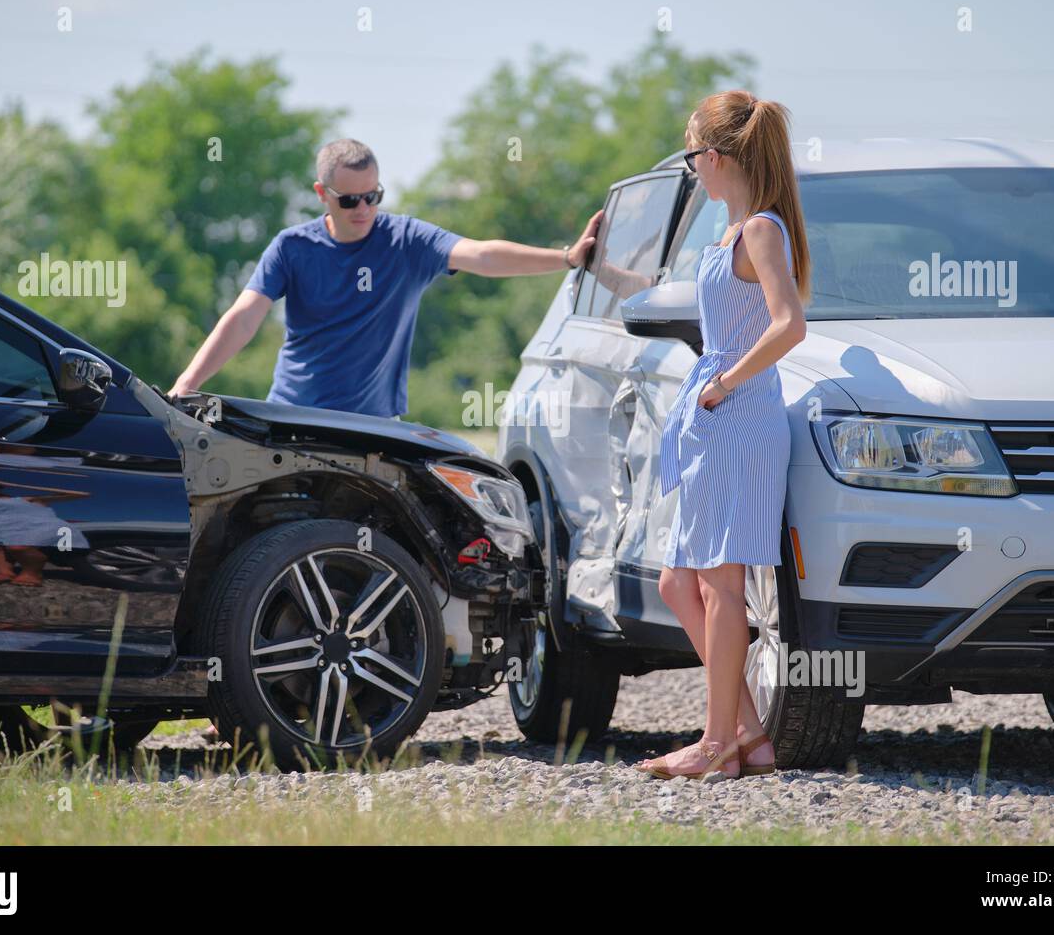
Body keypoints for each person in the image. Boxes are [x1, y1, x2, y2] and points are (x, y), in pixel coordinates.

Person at [168, 138, 602, 417]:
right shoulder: (292, 247)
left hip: (375, 429)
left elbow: (482, 255)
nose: (363, 209)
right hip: (293, 417)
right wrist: (187, 385)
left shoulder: (407, 240)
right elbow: (245, 317)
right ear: (322, 195)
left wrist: (565, 257)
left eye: (373, 196)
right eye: (350, 199)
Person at [637, 90, 812, 782]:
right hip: (714, 418)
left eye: (690, 157)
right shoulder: (731, 231)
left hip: (738, 419)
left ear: (712, 156)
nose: (692, 172)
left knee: (719, 584)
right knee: (680, 581)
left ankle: (716, 745)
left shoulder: (761, 229)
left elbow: (789, 324)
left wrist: (725, 381)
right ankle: (746, 733)